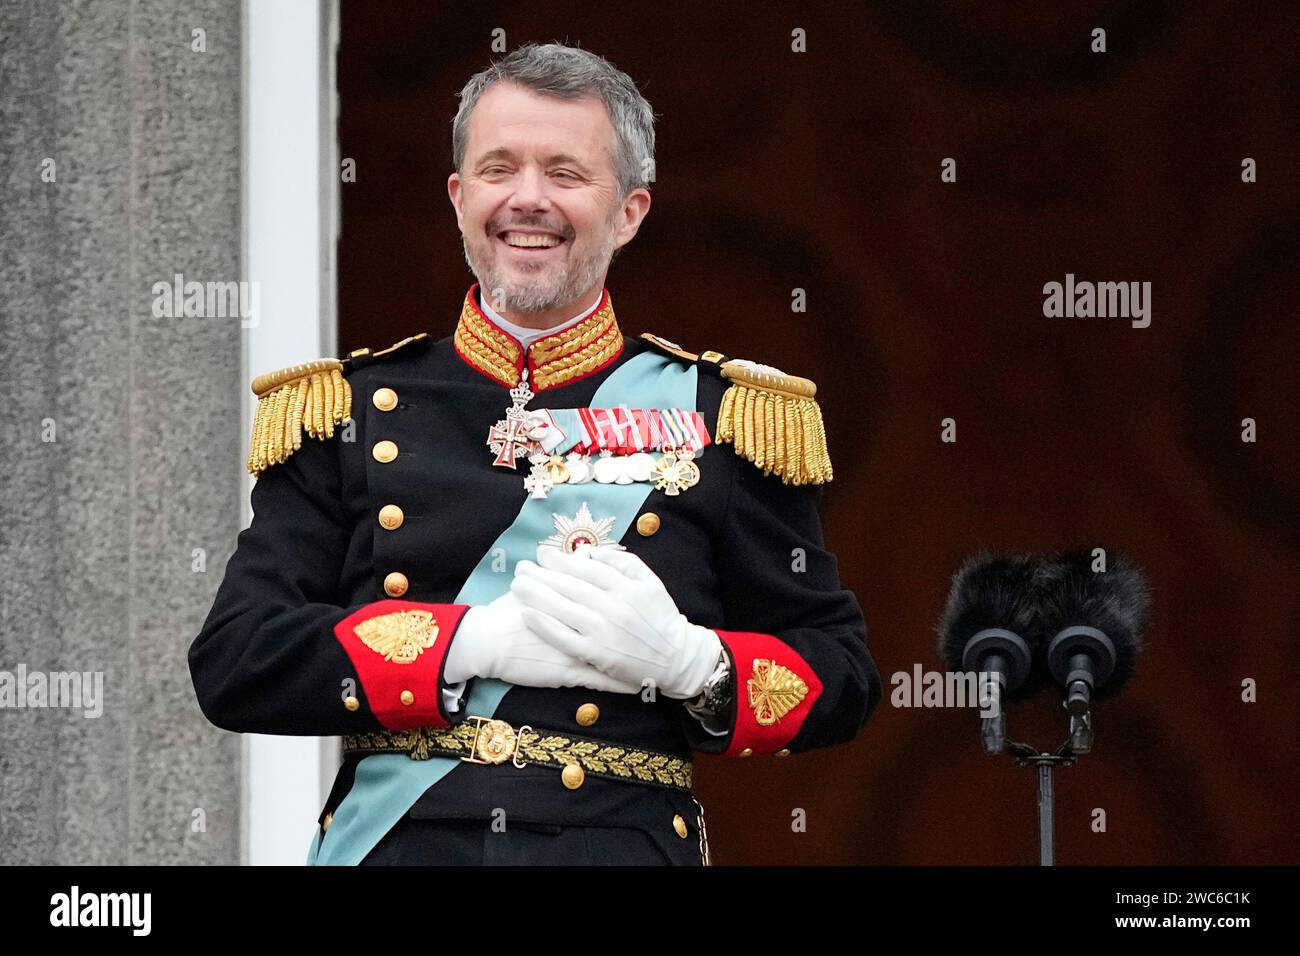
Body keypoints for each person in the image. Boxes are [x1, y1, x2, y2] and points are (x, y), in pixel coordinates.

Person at [189, 41, 882, 866]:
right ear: (457, 197)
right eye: (498, 169)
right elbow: (236, 659)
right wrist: (464, 645)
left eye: (564, 173)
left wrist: (695, 663)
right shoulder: (345, 411)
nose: (527, 200)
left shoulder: (724, 420)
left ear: (629, 212)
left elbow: (841, 674)